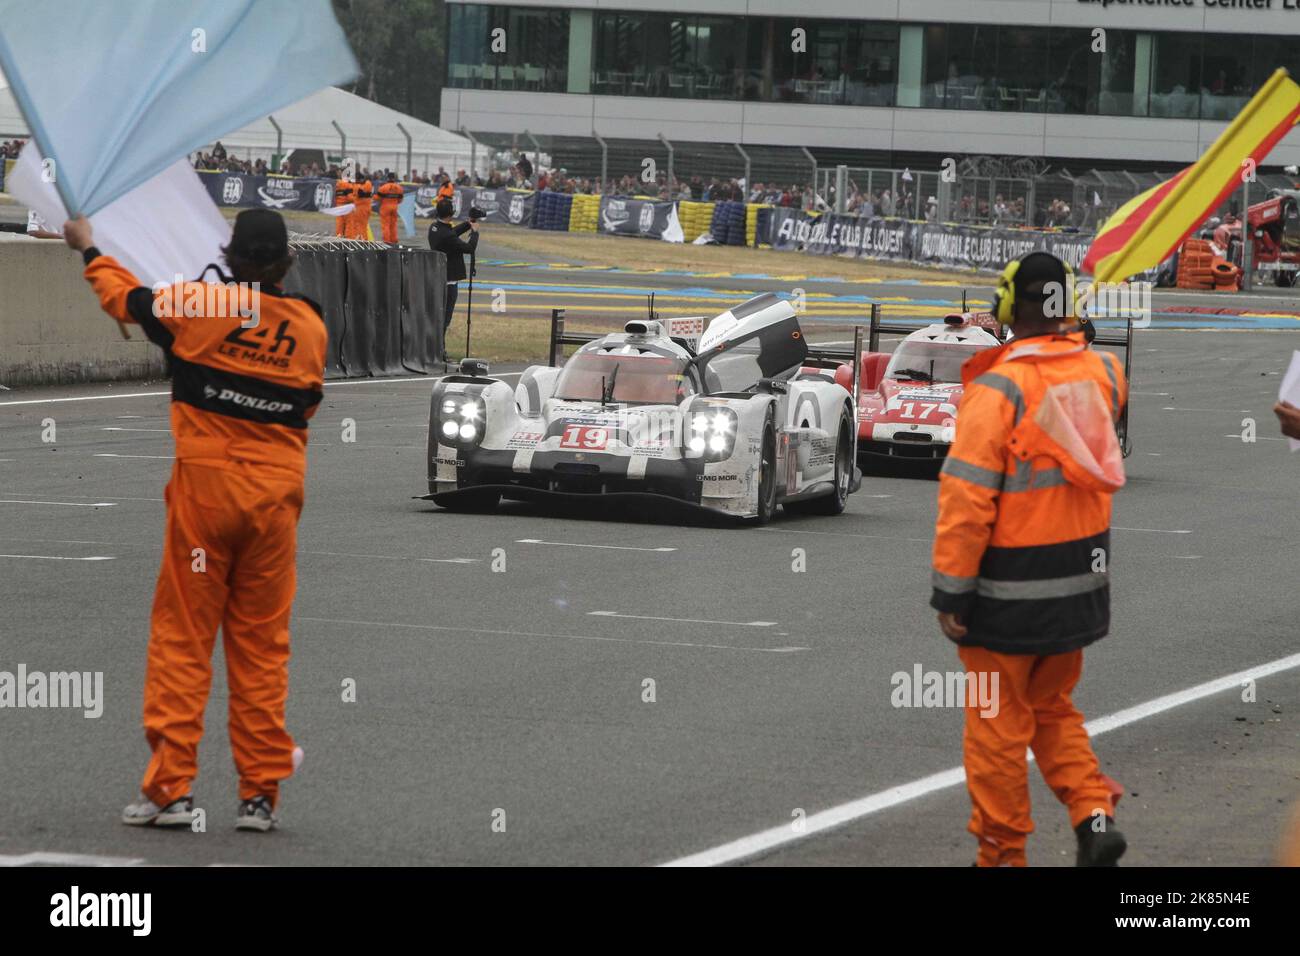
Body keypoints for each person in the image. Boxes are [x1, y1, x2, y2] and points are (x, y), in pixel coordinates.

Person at [63, 209, 326, 833]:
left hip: (205, 499)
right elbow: (308, 403)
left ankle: (170, 790)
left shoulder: (196, 305)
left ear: (229, 258)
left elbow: (124, 301)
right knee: (262, 648)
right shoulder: (310, 324)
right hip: (275, 504)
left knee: (184, 640)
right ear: (286, 264)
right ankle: (260, 794)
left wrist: (88, 248)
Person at [930, 251, 1129, 868]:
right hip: (1078, 590)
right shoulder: (1104, 373)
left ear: (1007, 308)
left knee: (996, 730)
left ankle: (1001, 857)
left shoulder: (995, 389)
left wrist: (952, 592)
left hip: (1005, 596)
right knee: (1053, 709)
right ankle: (1093, 815)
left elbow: (967, 499)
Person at [427, 197, 479, 362]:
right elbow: (469, 248)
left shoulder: (435, 228)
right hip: (448, 282)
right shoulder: (446, 235)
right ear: (451, 214)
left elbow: (450, 233)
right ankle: (439, 352)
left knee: (439, 317)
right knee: (444, 319)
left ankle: (435, 350)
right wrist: (475, 233)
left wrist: (467, 223)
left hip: (439, 278)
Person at [375, 171, 405, 245]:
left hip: (385, 207)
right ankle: (394, 240)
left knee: (386, 225)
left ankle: (387, 241)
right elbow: (400, 200)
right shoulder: (399, 188)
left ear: (387, 178)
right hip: (394, 207)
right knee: (393, 224)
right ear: (394, 178)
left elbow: (378, 198)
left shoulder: (383, 187)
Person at [349, 170, 374, 240]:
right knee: (364, 226)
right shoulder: (368, 183)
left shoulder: (357, 186)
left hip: (360, 208)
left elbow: (358, 194)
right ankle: (364, 240)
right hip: (367, 207)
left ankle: (362, 241)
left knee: (359, 226)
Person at [333, 166, 355, 238]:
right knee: (349, 224)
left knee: (339, 225)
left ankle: (338, 239)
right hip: (347, 206)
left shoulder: (338, 184)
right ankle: (348, 240)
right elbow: (350, 198)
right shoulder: (348, 184)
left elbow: (336, 196)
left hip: (339, 206)